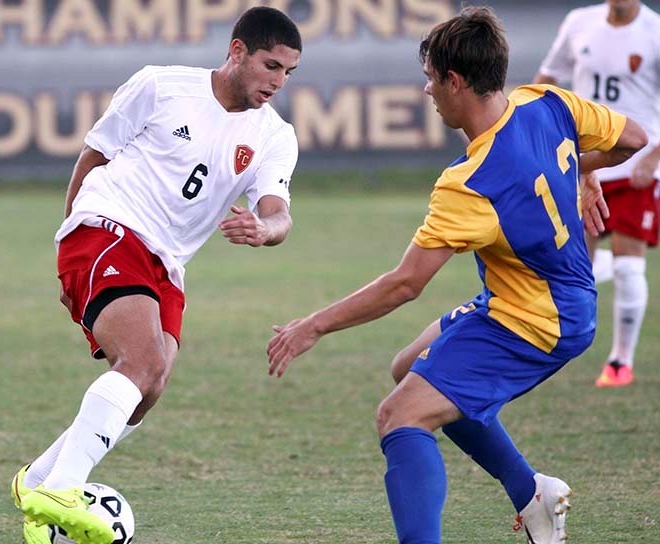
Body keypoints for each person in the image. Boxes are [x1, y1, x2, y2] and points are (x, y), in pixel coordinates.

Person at [266, 6, 646, 544]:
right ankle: (532, 494)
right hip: (537, 299)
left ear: (455, 81)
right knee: (408, 369)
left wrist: (314, 326)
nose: (426, 91)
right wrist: (582, 170)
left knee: (400, 418)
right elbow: (633, 138)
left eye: (429, 79)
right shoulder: (548, 103)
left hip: (537, 320)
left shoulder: (472, 182)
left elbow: (405, 284)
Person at [9, 7, 302, 544]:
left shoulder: (274, 136)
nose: (278, 81)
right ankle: (63, 490)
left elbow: (278, 211)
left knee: (151, 384)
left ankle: (42, 477)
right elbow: (93, 157)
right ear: (236, 51)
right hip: (108, 227)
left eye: (288, 72)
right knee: (140, 360)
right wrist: (70, 237)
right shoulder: (161, 86)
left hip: (168, 262)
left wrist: (266, 227)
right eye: (270, 65)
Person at [534, 0, 660, 387]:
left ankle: (620, 361)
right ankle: (562, 347)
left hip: (636, 164)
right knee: (576, 268)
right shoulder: (579, 22)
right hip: (585, 162)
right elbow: (547, 79)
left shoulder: (655, 32)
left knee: (628, 265)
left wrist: (653, 157)